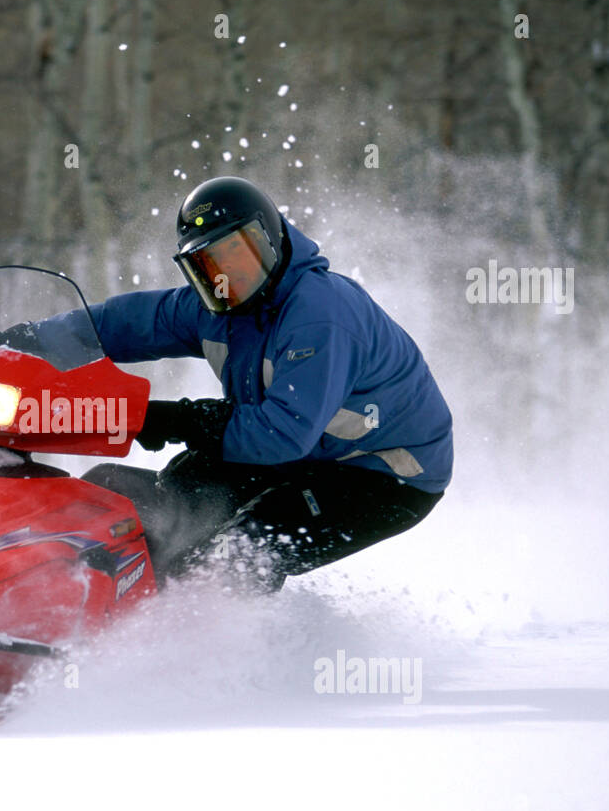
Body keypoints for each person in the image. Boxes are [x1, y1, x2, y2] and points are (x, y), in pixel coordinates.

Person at [77, 176, 454, 591]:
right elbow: (123, 324)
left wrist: (179, 420)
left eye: (239, 251)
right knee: (175, 502)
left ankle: (202, 645)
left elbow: (281, 433)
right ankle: (78, 588)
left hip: (387, 472)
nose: (228, 272)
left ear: (270, 240)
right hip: (299, 444)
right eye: (208, 262)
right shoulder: (216, 306)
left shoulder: (320, 315)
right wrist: (21, 343)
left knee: (245, 549)